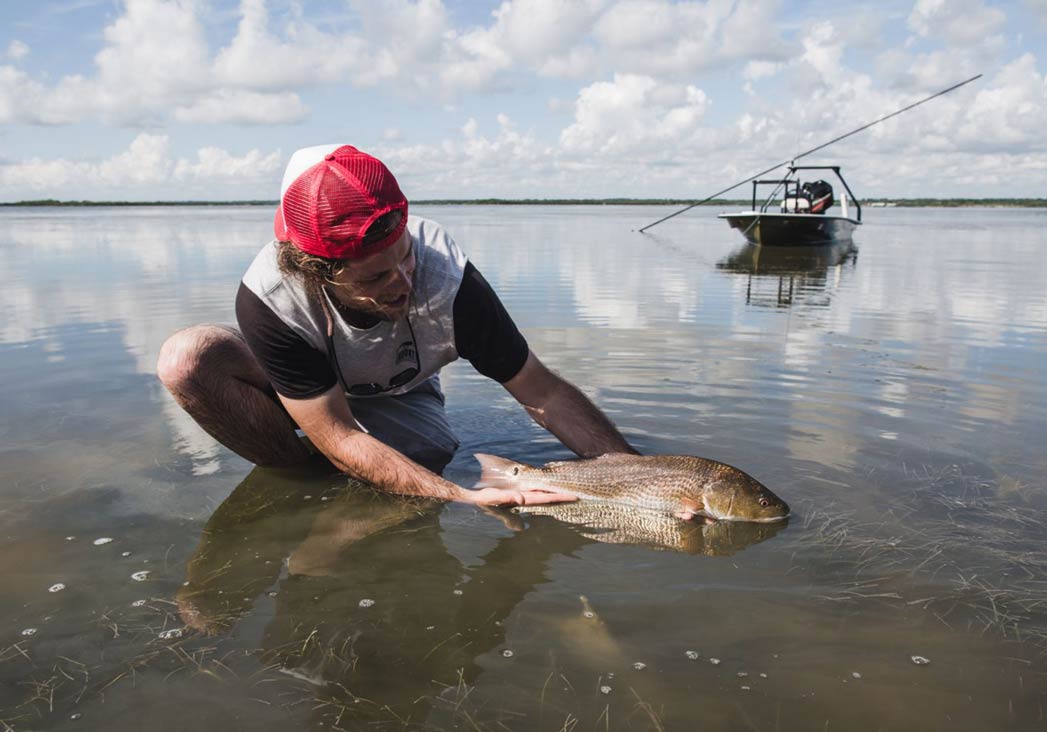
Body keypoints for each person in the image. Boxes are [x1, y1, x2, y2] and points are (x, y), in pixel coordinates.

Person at [157, 144, 636, 507]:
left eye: (405, 258)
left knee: (420, 459)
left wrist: (638, 473)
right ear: (313, 270)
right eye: (376, 277)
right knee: (187, 360)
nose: (404, 282)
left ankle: (347, 469)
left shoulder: (448, 276)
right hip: (301, 384)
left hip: (396, 389)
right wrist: (462, 497)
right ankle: (298, 478)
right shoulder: (270, 298)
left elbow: (543, 393)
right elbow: (341, 437)